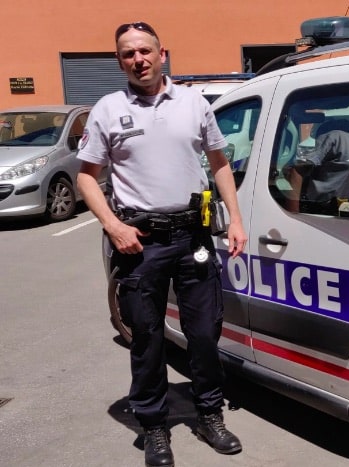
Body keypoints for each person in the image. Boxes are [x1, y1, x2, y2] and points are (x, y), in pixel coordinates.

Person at [76, 21, 248, 467]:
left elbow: (220, 163)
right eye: (128, 53)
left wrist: (236, 220)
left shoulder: (193, 103)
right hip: (140, 243)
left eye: (145, 51)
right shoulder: (107, 110)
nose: (138, 59)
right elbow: (86, 178)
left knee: (205, 334)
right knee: (147, 339)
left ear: (162, 53)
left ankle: (210, 414)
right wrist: (113, 226)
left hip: (193, 235)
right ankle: (154, 426)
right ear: (120, 61)